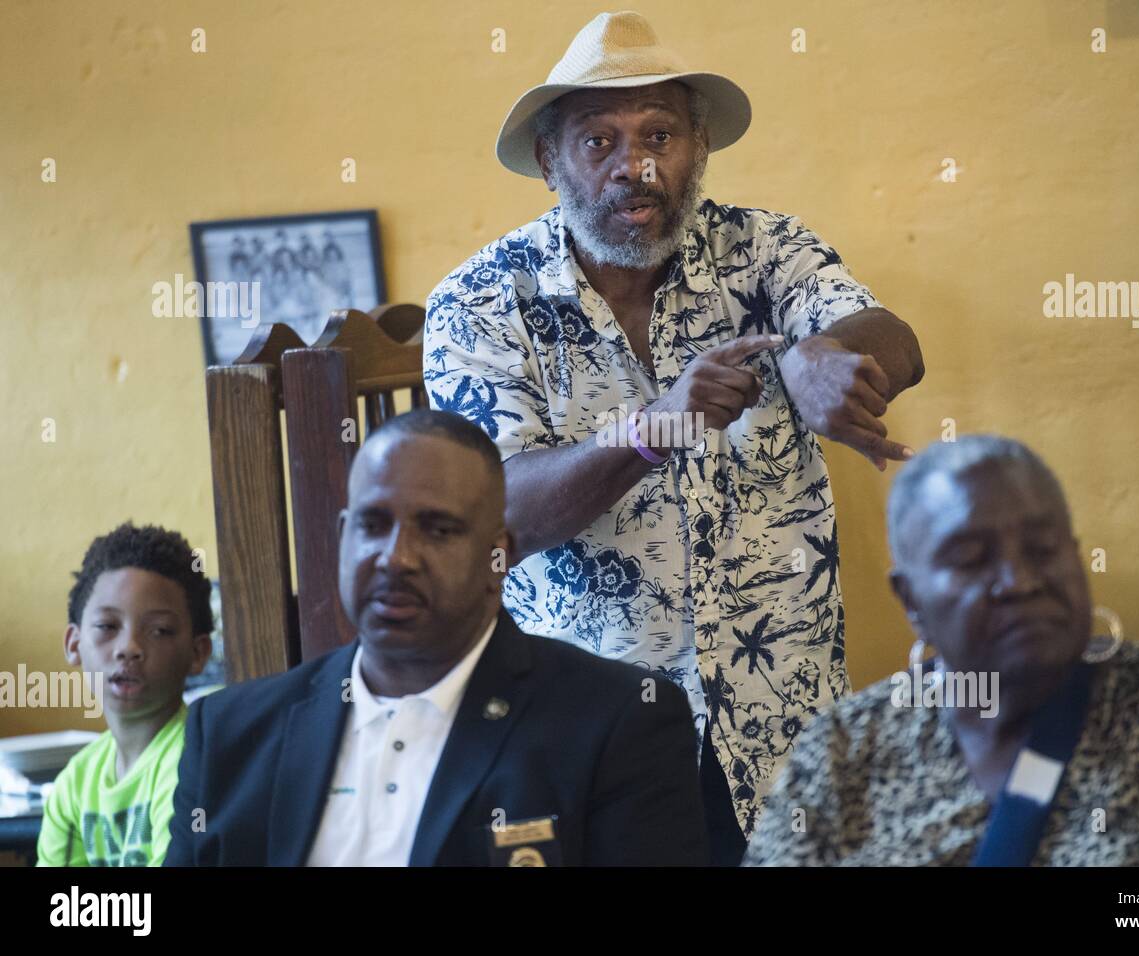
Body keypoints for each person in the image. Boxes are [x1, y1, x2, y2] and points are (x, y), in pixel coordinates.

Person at [424, 10, 925, 862]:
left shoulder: (764, 252)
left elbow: (897, 341)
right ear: (549, 159)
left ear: (700, 146)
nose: (636, 167)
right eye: (598, 141)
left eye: (660, 134)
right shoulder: (479, 303)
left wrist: (818, 356)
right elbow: (493, 515)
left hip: (782, 721)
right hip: (587, 729)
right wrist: (657, 428)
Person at [165, 409, 707, 866]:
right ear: (340, 539)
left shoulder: (616, 725)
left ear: (498, 556)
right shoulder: (231, 736)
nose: (395, 558)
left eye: (438, 529)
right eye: (373, 525)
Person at [744, 435, 1139, 865]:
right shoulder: (845, 751)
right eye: (971, 558)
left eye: (1041, 548)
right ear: (911, 599)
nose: (1018, 580)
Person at [38, 523, 213, 866]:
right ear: (74, 644)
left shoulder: (196, 760)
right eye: (107, 627)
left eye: (159, 631)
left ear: (197, 652)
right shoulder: (73, 783)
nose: (129, 648)